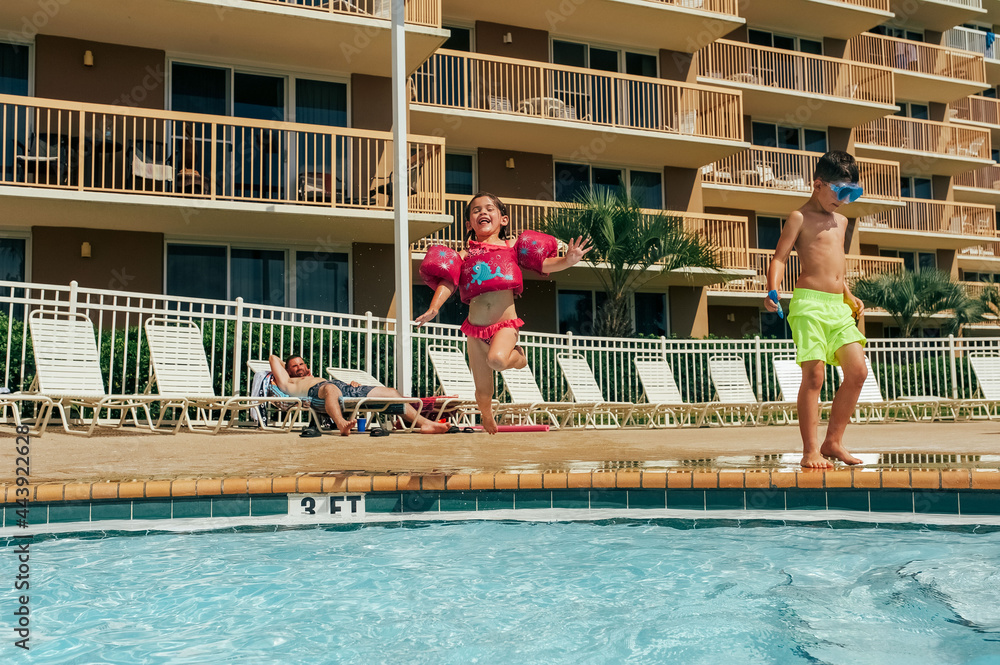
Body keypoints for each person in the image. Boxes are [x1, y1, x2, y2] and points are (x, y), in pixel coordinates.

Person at [415, 192, 591, 434]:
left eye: (489, 209)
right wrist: (433, 308)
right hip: (475, 330)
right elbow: (448, 283)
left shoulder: (512, 247)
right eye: (476, 211)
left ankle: (519, 358)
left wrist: (568, 260)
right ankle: (487, 415)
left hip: (504, 325)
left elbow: (543, 265)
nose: (483, 213)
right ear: (468, 224)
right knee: (482, 390)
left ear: (503, 219)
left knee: (497, 359)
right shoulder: (464, 257)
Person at [764, 151, 867, 468]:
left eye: (851, 193)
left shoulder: (842, 221)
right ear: (818, 184)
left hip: (838, 307)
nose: (844, 200)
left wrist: (848, 294)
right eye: (840, 192)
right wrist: (772, 290)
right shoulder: (799, 217)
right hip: (808, 304)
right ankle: (810, 450)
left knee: (858, 371)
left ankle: (833, 441)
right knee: (815, 375)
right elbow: (780, 257)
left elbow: (836, 265)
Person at [268, 354, 450, 436]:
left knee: (391, 392)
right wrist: (286, 367)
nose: (300, 367)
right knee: (330, 389)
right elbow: (272, 358)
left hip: (342, 388)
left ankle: (427, 425)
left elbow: (334, 386)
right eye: (295, 366)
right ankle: (341, 424)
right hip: (319, 393)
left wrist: (351, 384)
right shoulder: (288, 382)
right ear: (287, 370)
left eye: (302, 364)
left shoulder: (314, 375)